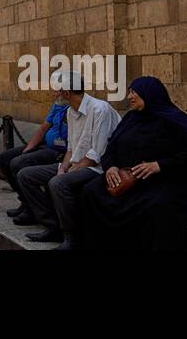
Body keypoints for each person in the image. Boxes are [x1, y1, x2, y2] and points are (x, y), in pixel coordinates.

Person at [77, 76, 187, 250]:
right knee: (91, 192)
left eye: (135, 92)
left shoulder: (174, 120)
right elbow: (111, 148)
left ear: (150, 94)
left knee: (157, 208)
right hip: (127, 179)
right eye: (130, 91)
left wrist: (159, 165)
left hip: (164, 182)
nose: (130, 96)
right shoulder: (131, 119)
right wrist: (111, 167)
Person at [17, 71, 120, 249]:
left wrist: (72, 170)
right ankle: (52, 225)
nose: (53, 94)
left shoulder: (100, 109)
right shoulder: (71, 112)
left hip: (97, 167)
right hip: (77, 163)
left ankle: (72, 236)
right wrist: (64, 167)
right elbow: (71, 148)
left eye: (56, 91)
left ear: (66, 93)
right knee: (25, 175)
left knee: (58, 183)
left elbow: (98, 153)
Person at [2, 92, 70, 223]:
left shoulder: (75, 109)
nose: (55, 94)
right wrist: (28, 149)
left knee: (18, 164)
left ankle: (34, 210)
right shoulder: (59, 104)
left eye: (59, 90)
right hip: (47, 145)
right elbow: (44, 128)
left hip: (60, 151)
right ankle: (25, 201)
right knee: (5, 158)